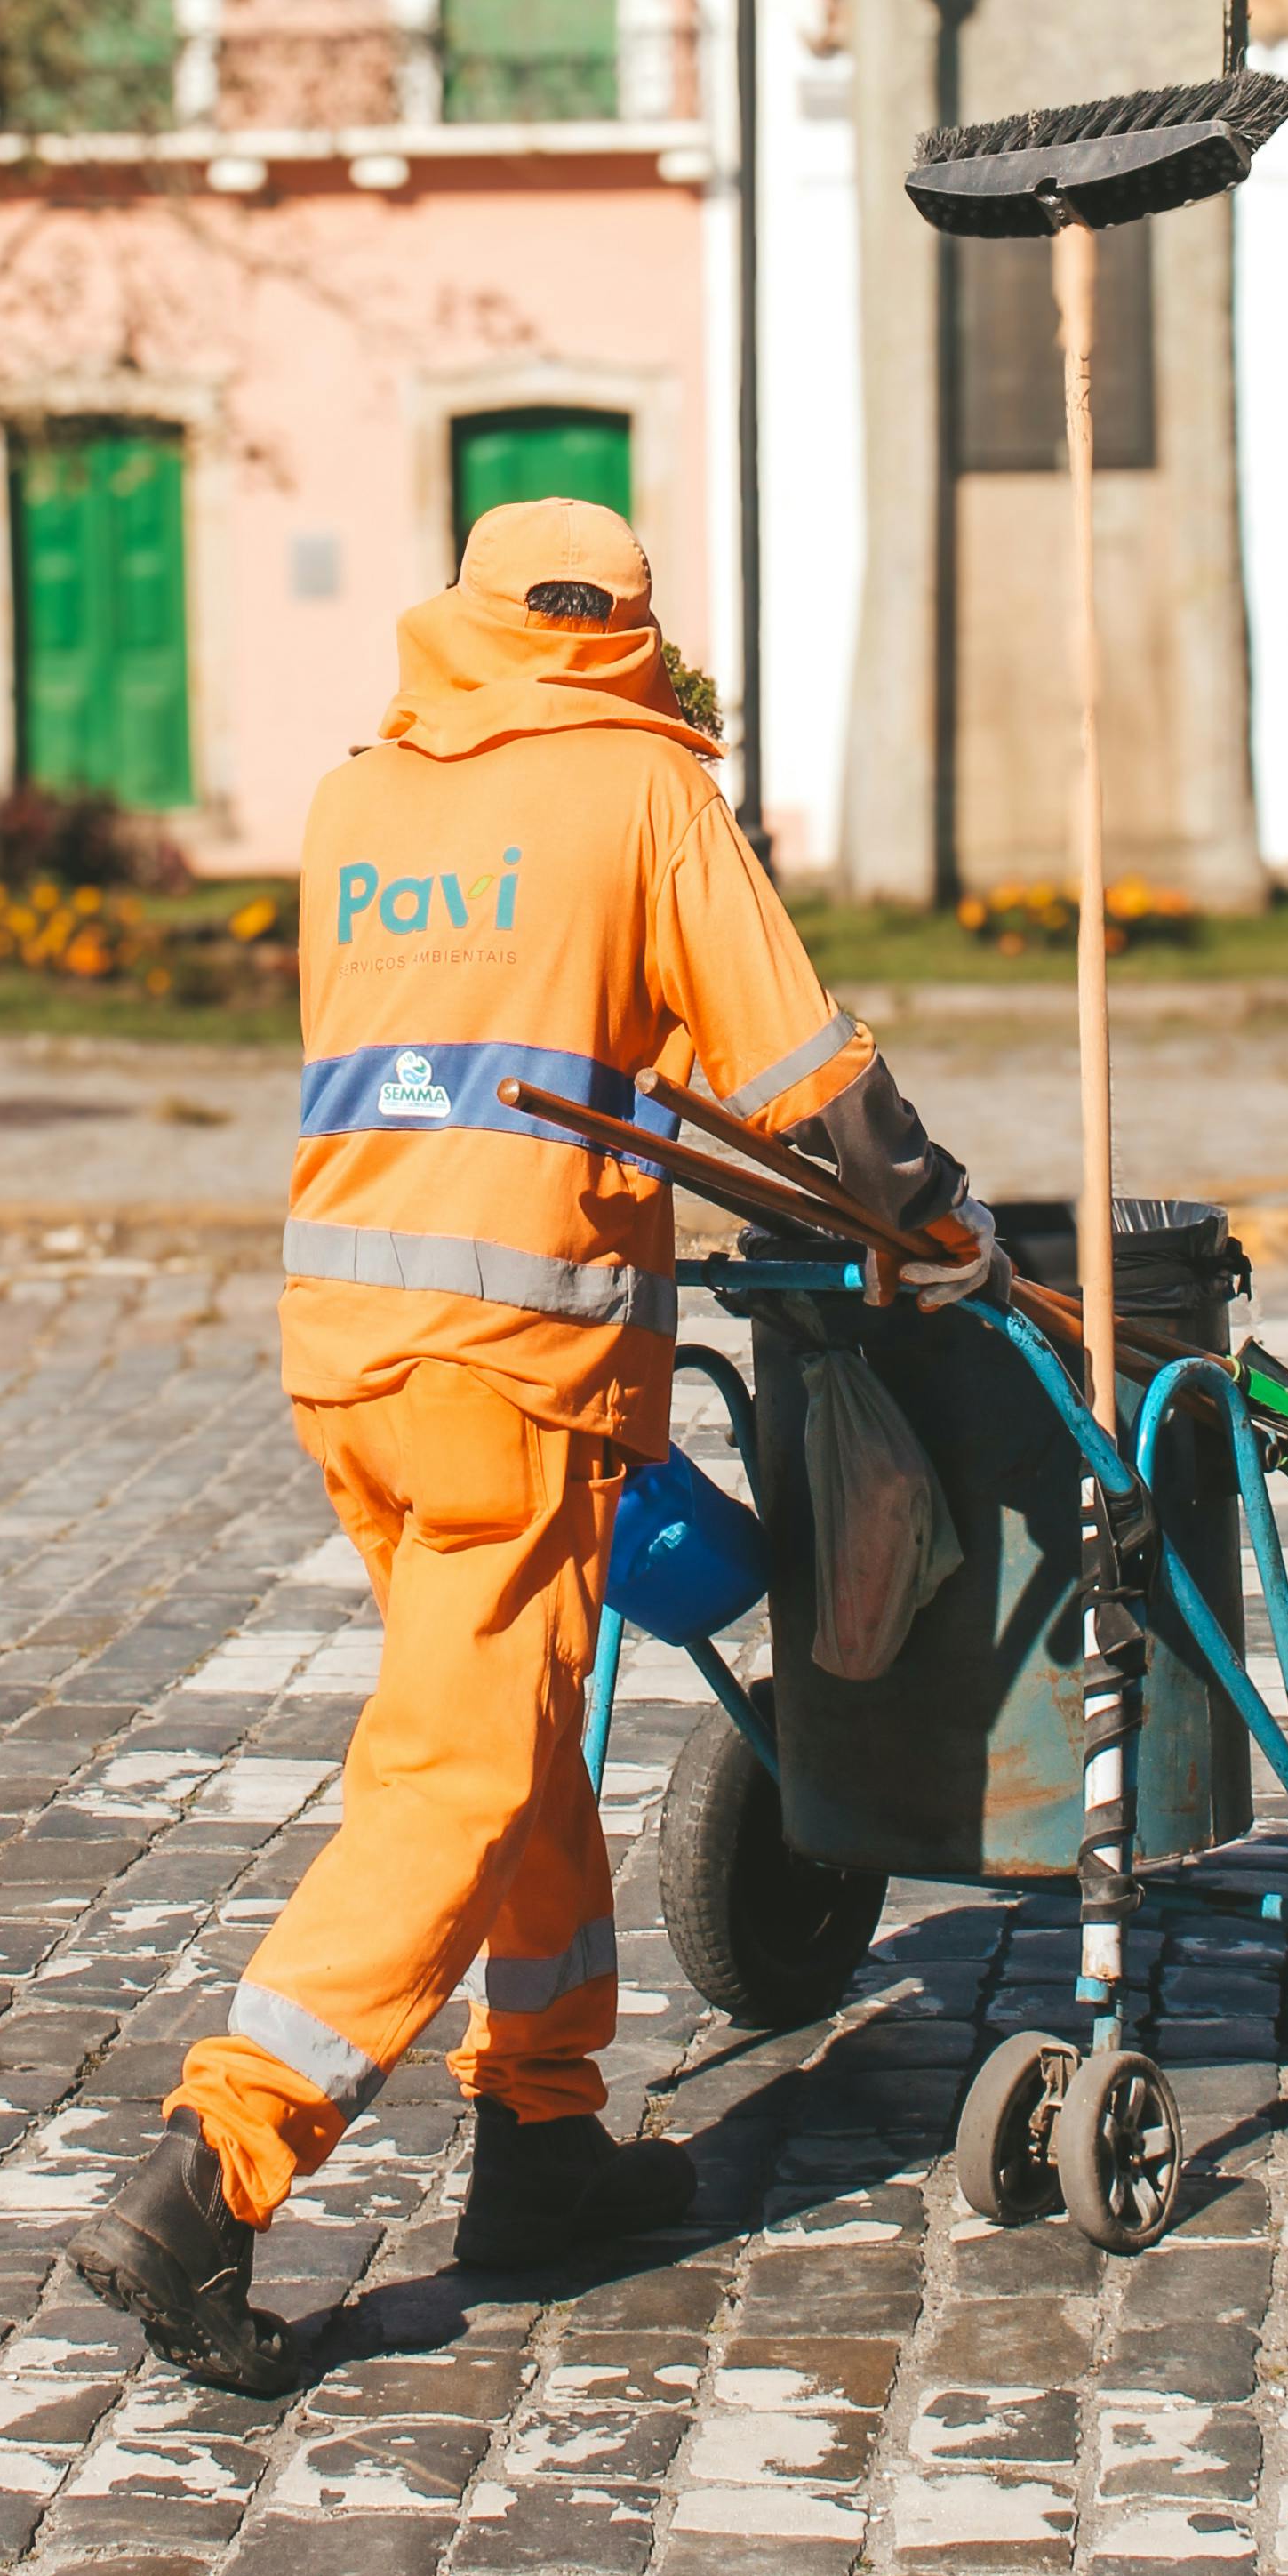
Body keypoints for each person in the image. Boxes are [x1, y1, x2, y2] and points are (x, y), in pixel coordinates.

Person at [72, 493, 1003, 2390]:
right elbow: (799, 1064)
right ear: (629, 634)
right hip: (512, 1374)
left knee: (524, 1751)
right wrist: (930, 1207)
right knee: (453, 1777)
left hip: (351, 1359)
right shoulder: (640, 793)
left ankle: (546, 2139)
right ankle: (212, 2177)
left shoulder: (360, 797)